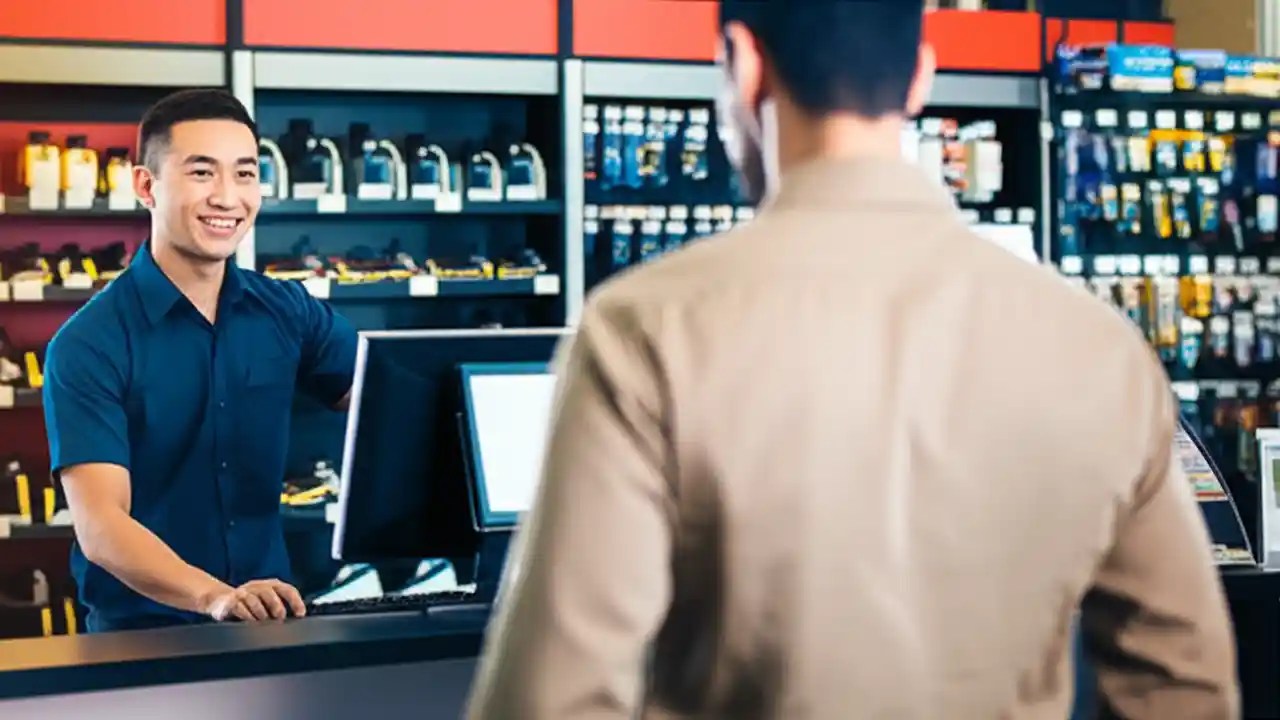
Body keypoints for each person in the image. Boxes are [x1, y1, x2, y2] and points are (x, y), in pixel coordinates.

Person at [465, 2, 1238, 718]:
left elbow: (550, 700)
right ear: (921, 76)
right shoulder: (1098, 348)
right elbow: (1185, 685)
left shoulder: (644, 331)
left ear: (742, 64)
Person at [42, 89, 358, 633]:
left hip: (270, 626)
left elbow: (388, 400)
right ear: (146, 186)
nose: (228, 197)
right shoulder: (89, 344)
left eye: (245, 174)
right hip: (142, 641)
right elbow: (101, 525)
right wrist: (215, 596)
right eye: (202, 173)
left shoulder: (290, 312)